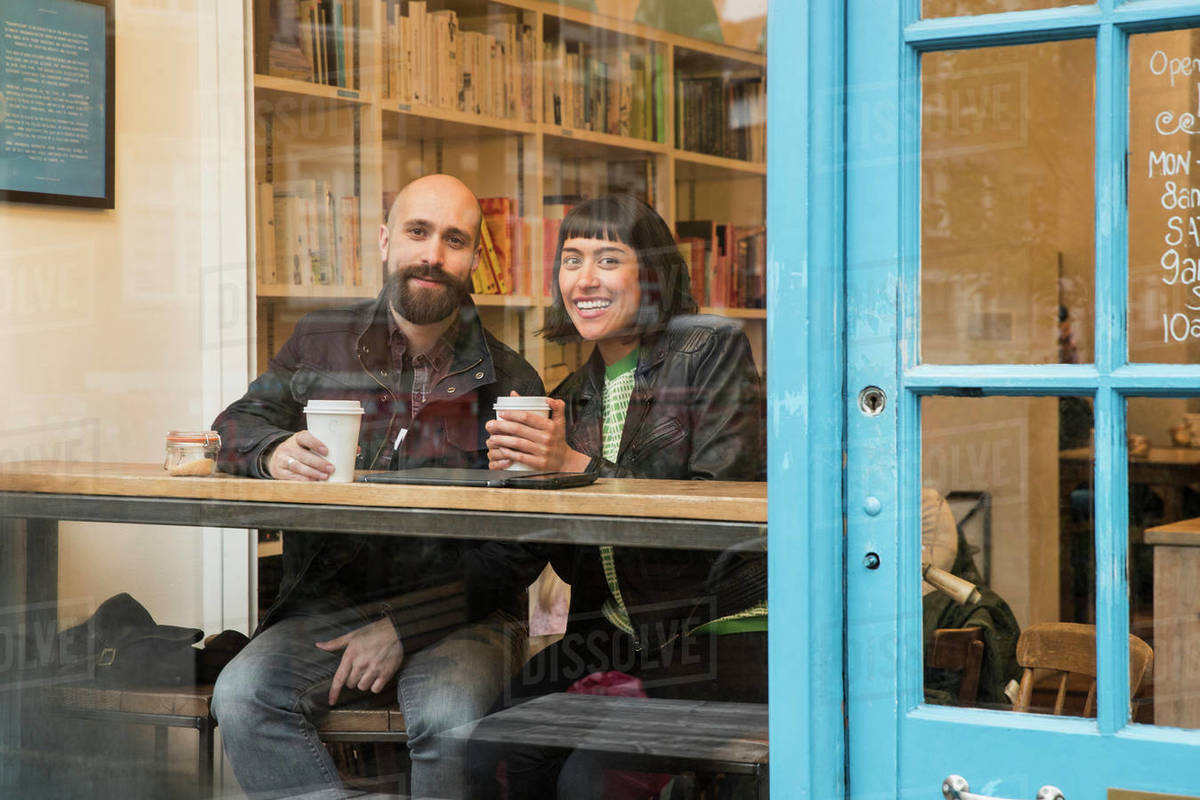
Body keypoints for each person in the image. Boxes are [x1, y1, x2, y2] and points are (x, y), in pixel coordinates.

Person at [210, 174, 544, 800]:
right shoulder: (319, 340)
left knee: (449, 721)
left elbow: (519, 546)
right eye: (418, 232)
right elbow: (233, 427)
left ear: (474, 258)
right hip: (329, 604)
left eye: (454, 240)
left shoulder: (510, 379)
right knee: (242, 694)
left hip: (463, 616)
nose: (433, 256)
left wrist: (403, 625)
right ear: (387, 242)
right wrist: (272, 451)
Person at [475, 194, 767, 798]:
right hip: (616, 634)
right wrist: (517, 492)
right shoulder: (570, 395)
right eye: (571, 260)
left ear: (654, 275)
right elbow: (550, 557)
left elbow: (713, 520)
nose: (584, 280)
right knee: (489, 748)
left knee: (590, 776)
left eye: (608, 260)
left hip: (720, 630)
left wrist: (573, 466)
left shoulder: (709, 350)